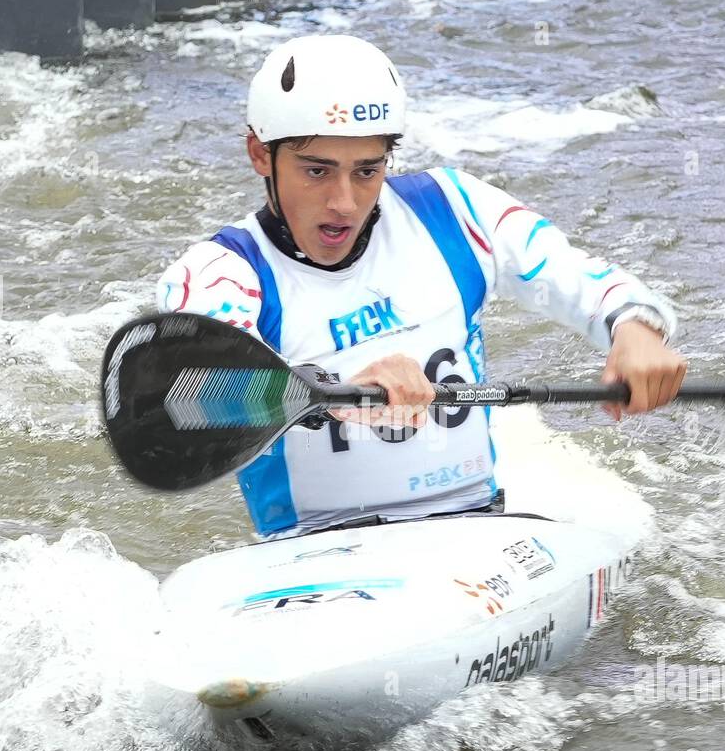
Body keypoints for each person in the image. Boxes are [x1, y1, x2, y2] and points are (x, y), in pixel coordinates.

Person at [155, 34, 686, 537]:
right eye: (317, 172)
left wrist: (634, 328)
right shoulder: (218, 273)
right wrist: (336, 389)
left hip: (473, 523)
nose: (344, 202)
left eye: (367, 170)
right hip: (308, 545)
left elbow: (578, 277)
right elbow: (190, 396)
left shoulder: (453, 210)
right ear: (259, 155)